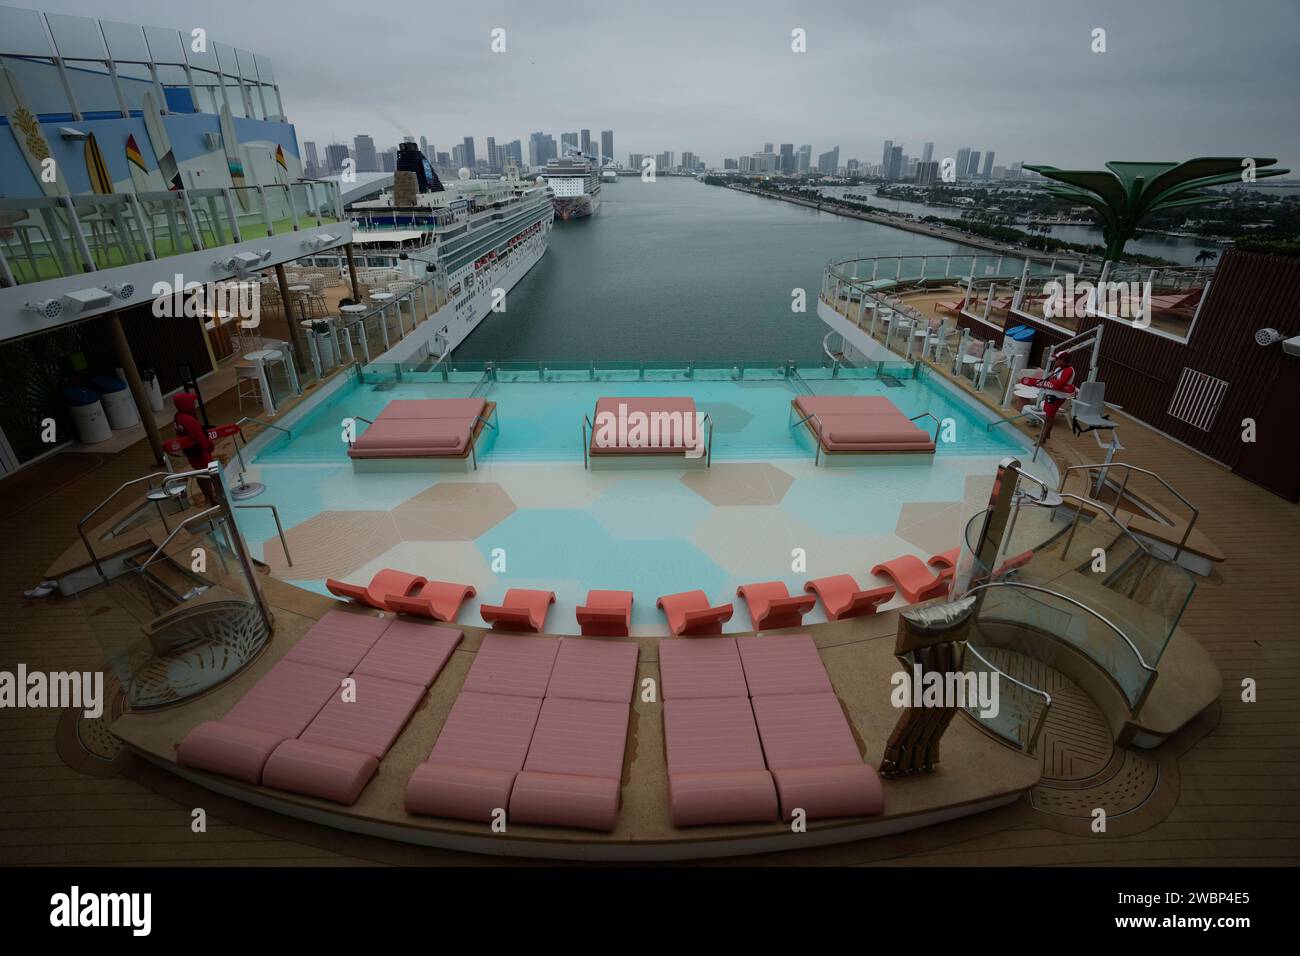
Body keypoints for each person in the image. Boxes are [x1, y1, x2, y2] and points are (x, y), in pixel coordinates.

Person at [172, 392, 221, 505]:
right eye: (192, 403)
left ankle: (208, 497)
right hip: (200, 452)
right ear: (185, 404)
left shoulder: (178, 417)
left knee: (201, 473)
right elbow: (198, 436)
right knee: (210, 473)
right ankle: (215, 499)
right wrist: (209, 445)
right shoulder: (187, 419)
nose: (194, 405)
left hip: (191, 452)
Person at [1018, 350, 1077, 444]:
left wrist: (1047, 382)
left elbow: (1059, 384)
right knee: (1048, 416)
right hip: (1051, 394)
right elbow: (1053, 380)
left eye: (1057, 359)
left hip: (1056, 397)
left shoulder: (1068, 370)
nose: (1055, 361)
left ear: (1062, 360)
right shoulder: (1059, 368)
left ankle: (1042, 440)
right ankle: (1047, 434)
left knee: (1048, 418)